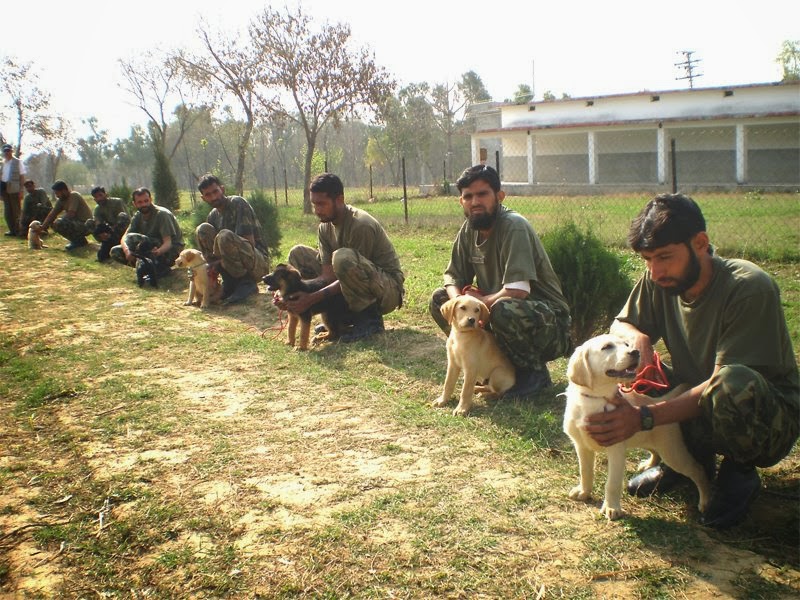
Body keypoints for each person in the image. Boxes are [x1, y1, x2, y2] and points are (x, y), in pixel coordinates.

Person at [584, 193, 798, 528]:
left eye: (665, 257)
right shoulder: (661, 279)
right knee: (639, 369)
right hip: (699, 398)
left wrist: (644, 418)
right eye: (647, 260)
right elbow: (620, 324)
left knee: (732, 385)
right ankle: (685, 461)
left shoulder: (748, 287)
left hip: (762, 418)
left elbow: (721, 386)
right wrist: (635, 337)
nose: (655, 271)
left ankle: (738, 470)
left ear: (700, 243)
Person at [429, 164, 572, 397]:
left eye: (482, 194)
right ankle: (483, 362)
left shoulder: (513, 226)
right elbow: (453, 277)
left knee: (502, 309)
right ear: (461, 202)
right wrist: (459, 302)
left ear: (499, 196)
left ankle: (533, 374)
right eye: (468, 196)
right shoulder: (469, 229)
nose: (475, 201)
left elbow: (518, 291)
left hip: (548, 323)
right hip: (494, 311)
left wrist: (482, 302)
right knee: (441, 300)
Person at [280, 172, 404, 342]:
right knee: (298, 254)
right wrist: (291, 297)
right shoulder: (324, 227)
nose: (317, 210)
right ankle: (338, 320)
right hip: (350, 282)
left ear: (339, 199)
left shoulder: (361, 225)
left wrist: (310, 299)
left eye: (322, 204)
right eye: (314, 204)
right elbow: (328, 276)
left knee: (342, 258)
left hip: (386, 290)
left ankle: (369, 320)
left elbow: (353, 272)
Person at [195, 174, 269, 305]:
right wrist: (212, 268)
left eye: (215, 191)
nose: (213, 197)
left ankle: (245, 283)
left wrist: (219, 261)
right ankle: (228, 284)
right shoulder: (213, 216)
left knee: (224, 236)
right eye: (208, 195)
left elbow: (248, 242)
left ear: (222, 189)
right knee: (202, 230)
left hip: (256, 263)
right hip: (228, 265)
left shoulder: (238, 203)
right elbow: (214, 252)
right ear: (203, 198)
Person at [110, 187, 184, 276]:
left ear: (151, 200)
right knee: (115, 251)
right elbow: (125, 237)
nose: (144, 204)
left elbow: (168, 243)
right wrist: (127, 251)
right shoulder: (138, 216)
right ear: (135, 204)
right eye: (140, 202)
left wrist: (158, 252)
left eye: (146, 201)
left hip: (170, 251)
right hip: (150, 248)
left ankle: (159, 267)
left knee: (141, 240)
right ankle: (147, 267)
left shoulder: (162, 214)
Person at [40, 180, 92, 250]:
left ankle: (78, 241)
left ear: (64, 190)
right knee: (54, 223)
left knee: (59, 223)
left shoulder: (74, 196)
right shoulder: (61, 200)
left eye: (57, 193)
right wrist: (42, 227)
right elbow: (52, 214)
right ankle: (79, 241)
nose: (57, 196)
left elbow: (71, 214)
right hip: (76, 224)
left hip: (86, 225)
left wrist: (59, 221)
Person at [87, 186, 130, 262]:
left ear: (106, 194)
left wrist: (113, 230)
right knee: (89, 223)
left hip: (122, 231)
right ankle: (105, 241)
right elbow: (98, 223)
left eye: (100, 195)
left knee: (122, 216)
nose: (99, 198)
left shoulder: (117, 202)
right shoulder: (97, 209)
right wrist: (102, 234)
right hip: (109, 233)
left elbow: (126, 218)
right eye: (96, 197)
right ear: (94, 199)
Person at [2, 143, 26, 237]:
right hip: (5, 189)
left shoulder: (18, 162)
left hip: (15, 189)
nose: (7, 152)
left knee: (16, 212)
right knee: (7, 212)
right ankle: (12, 230)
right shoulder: (3, 163)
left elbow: (22, 176)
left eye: (8, 150)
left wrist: (21, 190)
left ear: (11, 151)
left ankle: (19, 230)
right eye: (5, 151)